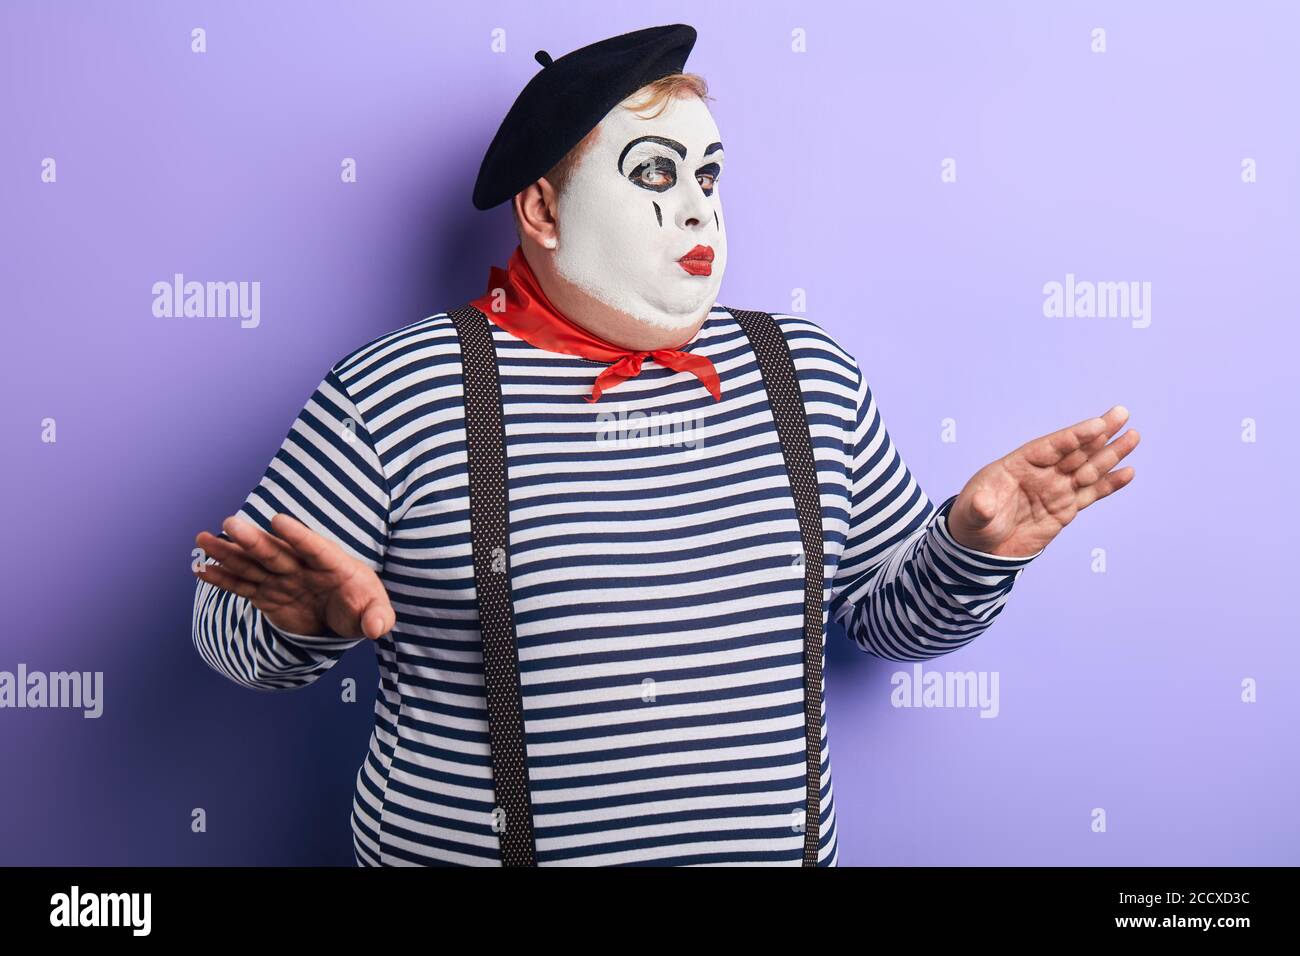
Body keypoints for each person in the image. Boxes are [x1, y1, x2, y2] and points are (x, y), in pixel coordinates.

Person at [191, 24, 1139, 866]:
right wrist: (300, 622)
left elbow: (887, 628)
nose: (696, 210)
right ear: (544, 212)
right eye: (652, 174)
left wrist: (972, 554)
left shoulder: (808, 376)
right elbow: (224, 636)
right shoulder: (400, 390)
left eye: (708, 174)